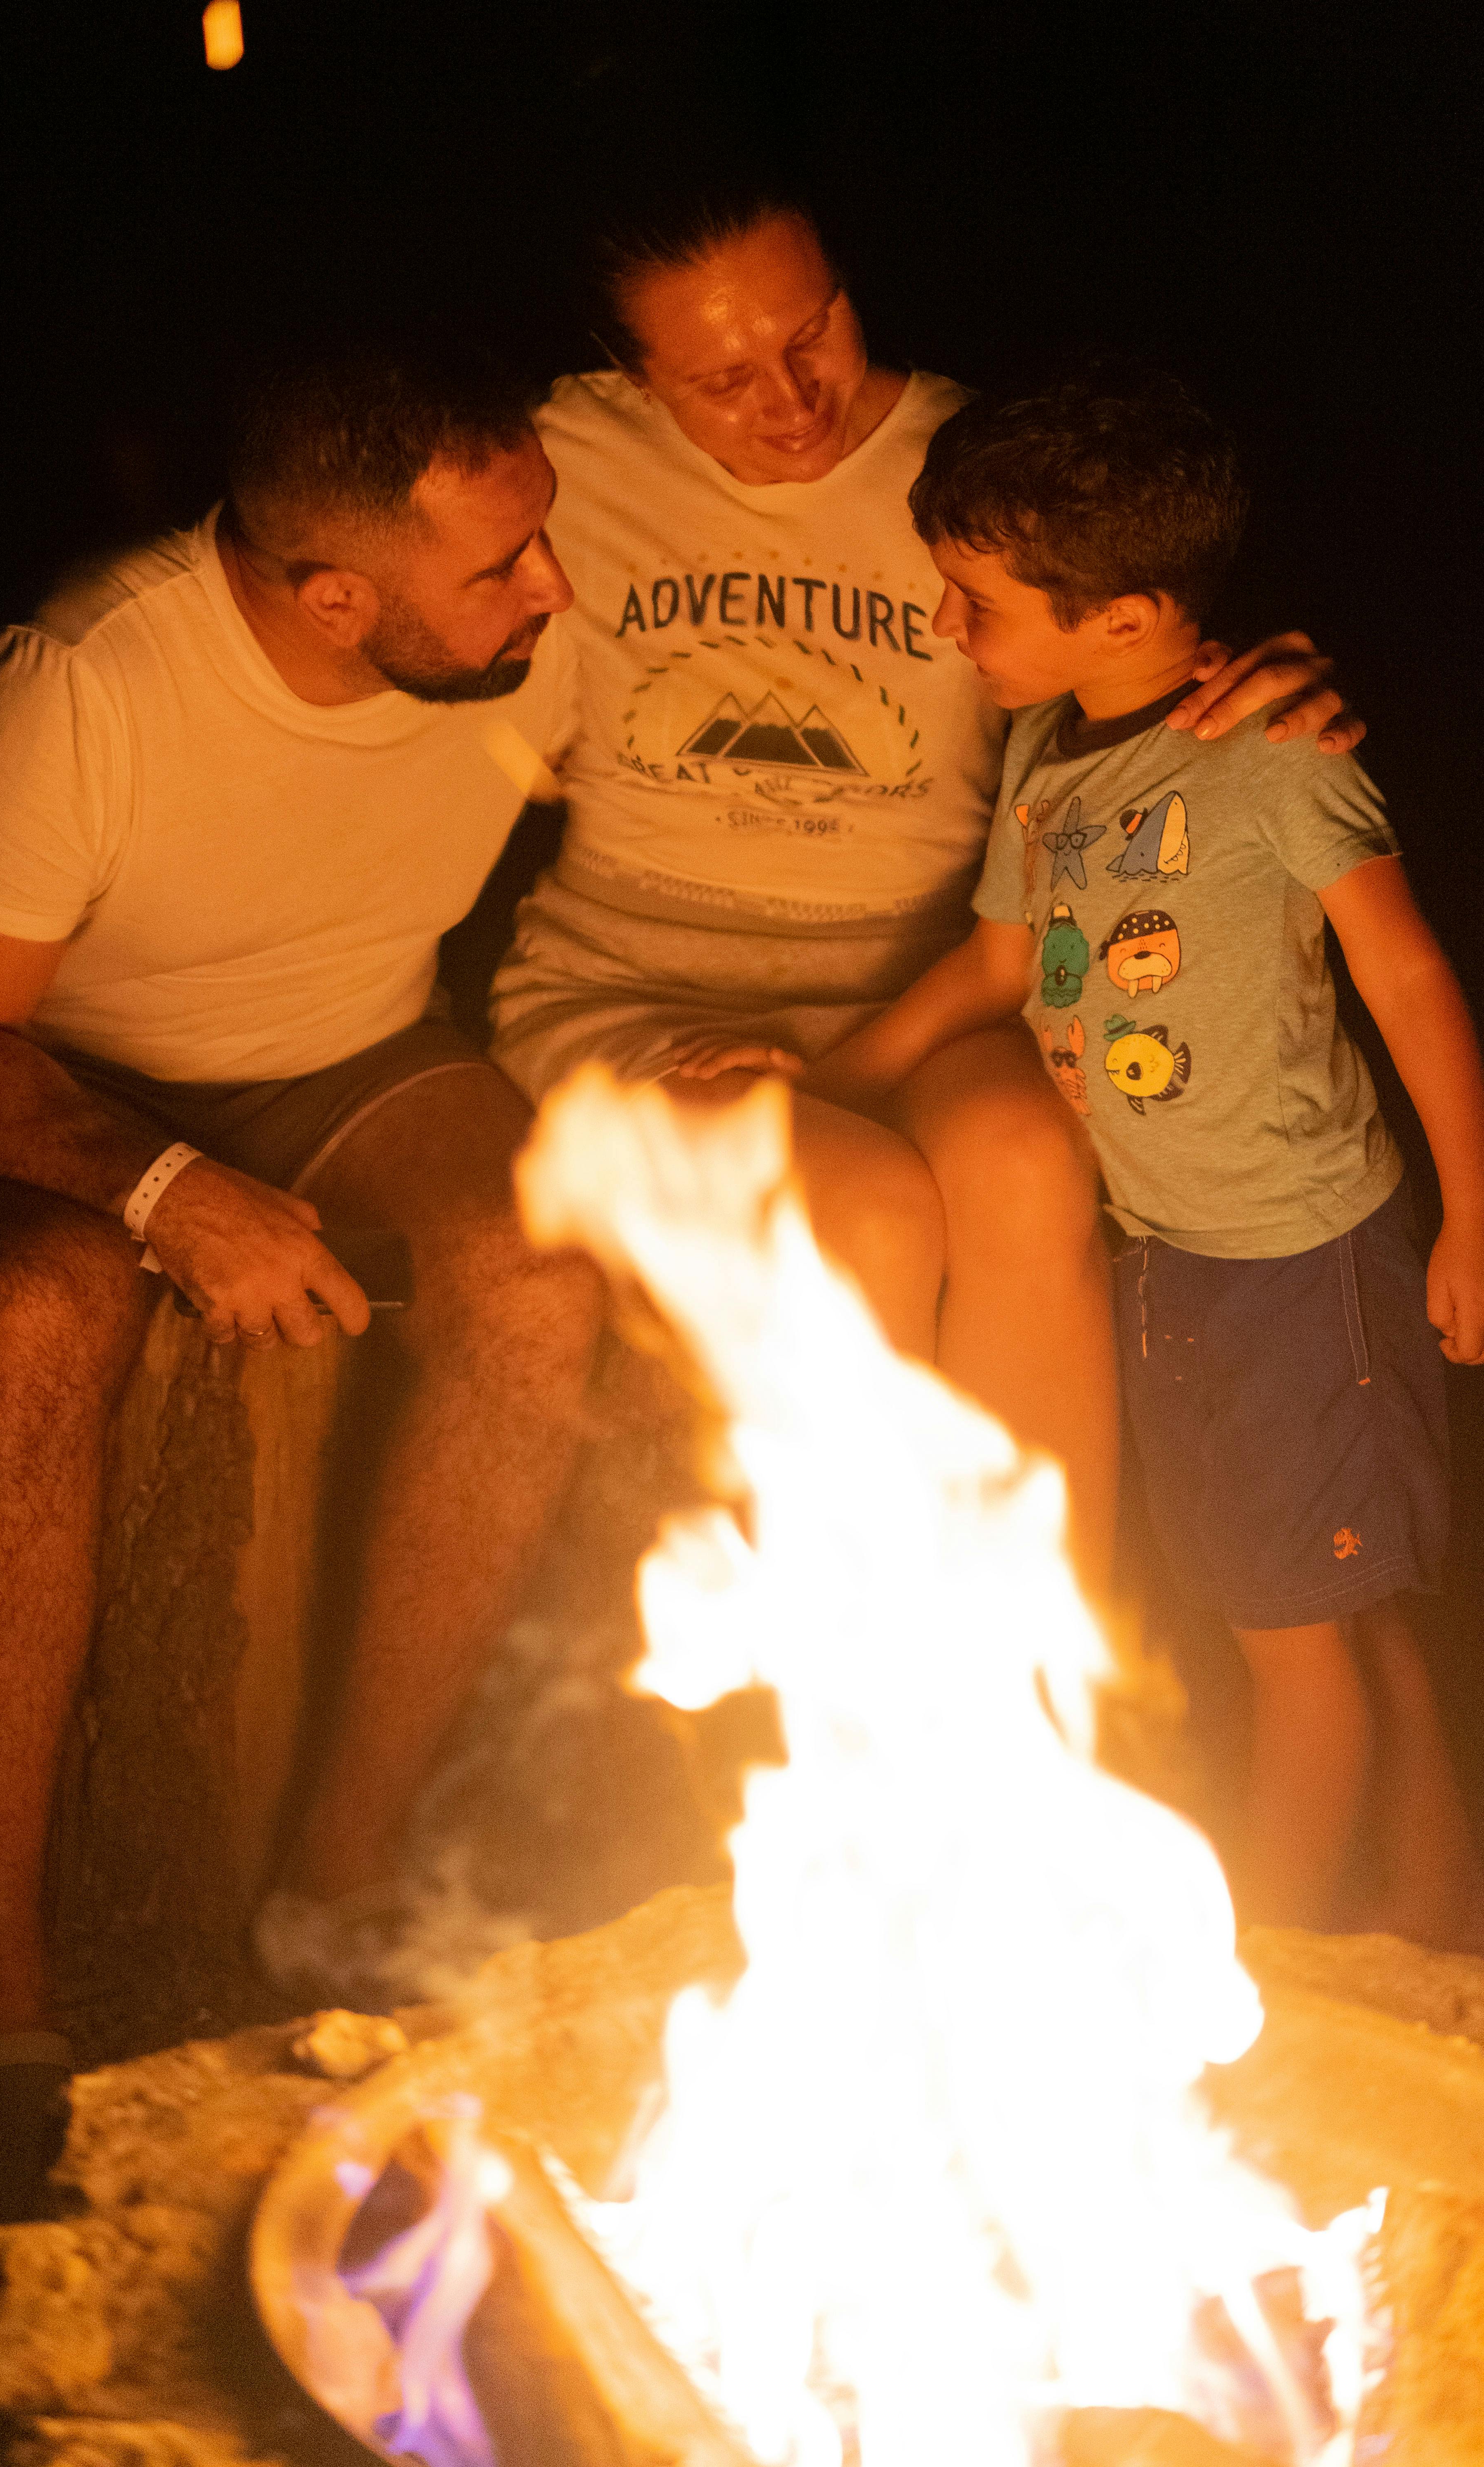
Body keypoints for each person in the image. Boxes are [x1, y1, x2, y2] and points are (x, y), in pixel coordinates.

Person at [0, 338, 602, 2224]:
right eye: (500, 569)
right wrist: (169, 1187)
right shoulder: (91, 681)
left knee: (536, 1284)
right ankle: (6, 2014)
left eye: (539, 543)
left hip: (356, 1052)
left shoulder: (523, 640)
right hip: (76, 1082)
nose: (553, 590)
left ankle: (333, 1901)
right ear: (335, 597)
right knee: (44, 1321)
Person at [491, 185, 1359, 1595]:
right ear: (628, 376)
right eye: (722, 380)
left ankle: (1040, 1691)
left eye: (813, 328)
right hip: (640, 987)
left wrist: (1267, 673)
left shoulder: (975, 472)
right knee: (870, 1213)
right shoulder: (565, 463)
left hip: (926, 993)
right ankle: (859, 1696)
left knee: (1024, 1168)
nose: (793, 400)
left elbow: (1138, 627)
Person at [774, 366, 1484, 1942]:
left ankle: (1274, 1981)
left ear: (1127, 615)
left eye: (979, 600)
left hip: (1300, 1254)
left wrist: (1472, 1221)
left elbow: (1409, 974)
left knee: (1301, 1634)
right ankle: (1432, 1946)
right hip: (1170, 1250)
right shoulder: (1051, 758)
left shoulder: (1275, 755)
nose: (949, 629)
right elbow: (996, 968)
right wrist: (814, 1082)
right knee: (1298, 1602)